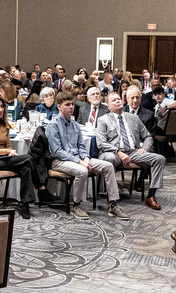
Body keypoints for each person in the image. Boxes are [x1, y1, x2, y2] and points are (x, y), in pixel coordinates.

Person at [46, 91, 125, 220]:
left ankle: (113, 204)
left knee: (108, 166)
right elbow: (57, 151)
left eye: (72, 104)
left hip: (78, 158)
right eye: (67, 104)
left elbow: (81, 147)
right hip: (60, 161)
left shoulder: (76, 125)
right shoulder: (53, 125)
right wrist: (79, 162)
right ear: (59, 106)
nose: (71, 107)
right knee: (82, 171)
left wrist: (86, 158)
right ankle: (76, 205)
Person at [96, 92, 166, 211]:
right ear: (108, 106)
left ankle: (151, 196)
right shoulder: (103, 120)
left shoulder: (133, 117)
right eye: (113, 100)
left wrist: (144, 148)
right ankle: (111, 198)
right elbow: (101, 143)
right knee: (109, 159)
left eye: (118, 99)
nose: (117, 101)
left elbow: (148, 136)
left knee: (159, 159)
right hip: (113, 153)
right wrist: (118, 152)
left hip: (133, 152)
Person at [0, 95, 39, 219]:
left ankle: (25, 204)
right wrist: (6, 151)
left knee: (26, 167)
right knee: (28, 158)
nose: (1, 110)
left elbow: (9, 146)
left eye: (2, 107)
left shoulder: (5, 125)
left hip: (5, 159)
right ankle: (40, 186)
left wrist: (10, 152)